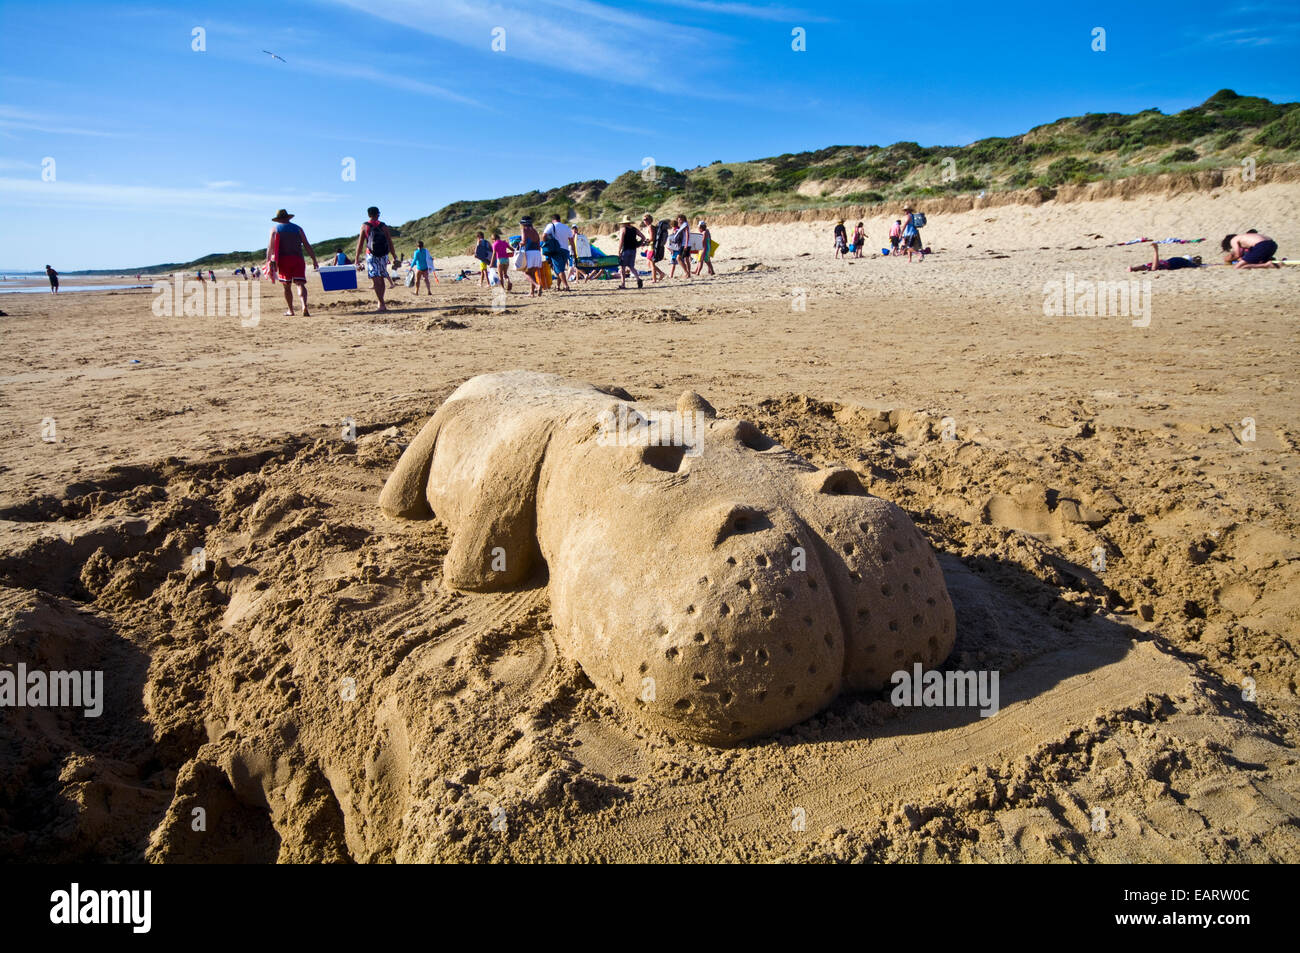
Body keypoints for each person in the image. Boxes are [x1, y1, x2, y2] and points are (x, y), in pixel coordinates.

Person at [267, 208, 319, 316]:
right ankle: (304, 305)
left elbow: (270, 248)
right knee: (300, 284)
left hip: (284, 260)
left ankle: (291, 310)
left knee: (287, 286)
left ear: (278, 219)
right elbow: (307, 245)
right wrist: (314, 259)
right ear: (287, 217)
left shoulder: (275, 229)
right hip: (298, 259)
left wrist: (268, 262)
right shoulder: (298, 229)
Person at [354, 206, 395, 312]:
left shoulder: (364, 226)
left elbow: (360, 243)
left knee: (376, 280)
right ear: (378, 214)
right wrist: (394, 256)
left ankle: (381, 303)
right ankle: (381, 302)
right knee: (381, 279)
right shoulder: (383, 226)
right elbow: (390, 242)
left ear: (369, 215)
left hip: (371, 255)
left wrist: (356, 259)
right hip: (383, 256)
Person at [543, 214, 575, 291]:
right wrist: (574, 250)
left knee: (559, 270)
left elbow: (544, 236)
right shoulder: (566, 227)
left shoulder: (551, 226)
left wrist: (546, 242)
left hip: (556, 250)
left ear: (552, 220)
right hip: (566, 250)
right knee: (560, 269)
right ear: (559, 219)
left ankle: (566, 286)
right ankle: (558, 286)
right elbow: (571, 241)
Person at [518, 216, 546, 296]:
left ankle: (537, 286)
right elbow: (538, 244)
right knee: (532, 273)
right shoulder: (535, 231)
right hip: (537, 253)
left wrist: (519, 243)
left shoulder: (524, 230)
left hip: (529, 252)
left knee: (525, 273)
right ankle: (532, 292)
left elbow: (523, 241)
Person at [616, 219, 647, 289]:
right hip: (633, 250)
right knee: (631, 266)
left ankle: (623, 284)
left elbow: (621, 240)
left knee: (622, 267)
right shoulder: (634, 229)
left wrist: (619, 250)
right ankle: (638, 279)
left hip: (625, 250)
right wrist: (639, 244)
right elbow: (643, 237)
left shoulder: (623, 229)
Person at [1129, 245, 1202, 272]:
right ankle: (1156, 250)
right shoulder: (1186, 262)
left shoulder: (1183, 260)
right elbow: (1195, 266)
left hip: (1167, 261)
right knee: (1153, 267)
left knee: (1147, 266)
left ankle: (1133, 268)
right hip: (1168, 263)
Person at [640, 215, 667, 283]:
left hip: (652, 247)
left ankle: (654, 279)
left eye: (646, 219)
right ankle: (661, 273)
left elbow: (652, 238)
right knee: (649, 264)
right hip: (651, 247)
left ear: (650, 220)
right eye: (644, 219)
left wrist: (644, 243)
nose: (644, 221)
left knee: (651, 264)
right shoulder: (651, 227)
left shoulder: (650, 227)